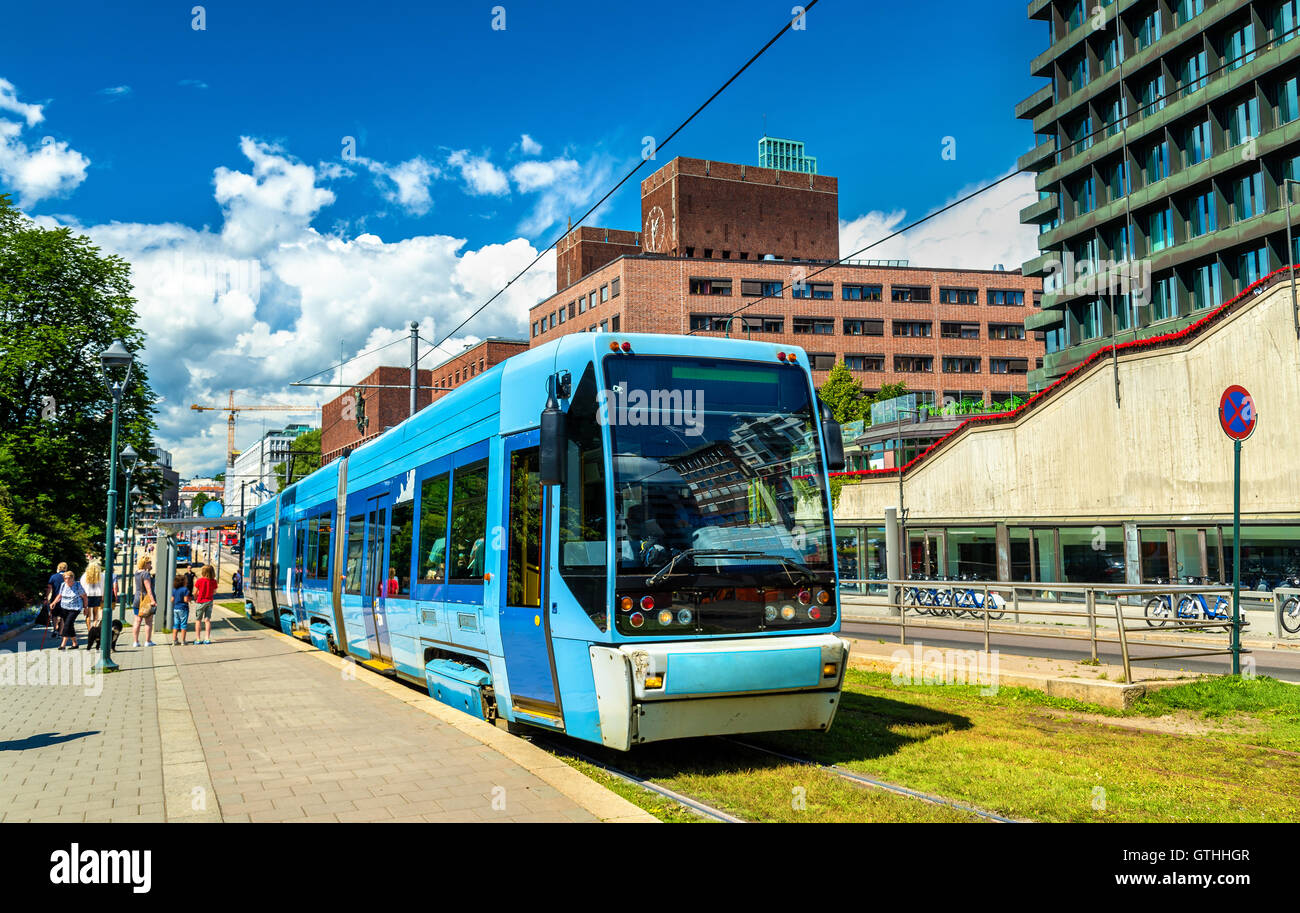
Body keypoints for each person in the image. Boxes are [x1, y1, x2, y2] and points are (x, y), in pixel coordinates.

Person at [49, 571, 87, 650]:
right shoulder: (63, 585)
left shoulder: (77, 585)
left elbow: (84, 597)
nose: (67, 580)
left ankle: (63, 644)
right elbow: (60, 595)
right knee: (70, 625)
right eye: (65, 578)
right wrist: (54, 603)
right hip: (65, 607)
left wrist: (85, 608)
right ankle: (75, 643)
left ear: (73, 578)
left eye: (69, 578)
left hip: (75, 608)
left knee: (67, 624)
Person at [131, 555, 157, 648]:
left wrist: (148, 570)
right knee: (148, 621)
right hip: (146, 599)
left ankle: (135, 642)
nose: (151, 564)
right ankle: (147, 641)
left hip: (137, 598)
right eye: (149, 563)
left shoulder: (137, 572)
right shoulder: (146, 574)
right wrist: (153, 600)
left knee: (137, 621)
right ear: (146, 564)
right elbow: (148, 588)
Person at [192, 565, 217, 645]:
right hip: (209, 601)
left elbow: (195, 592)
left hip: (201, 602)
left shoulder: (199, 581)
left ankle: (198, 639)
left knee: (198, 620)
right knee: (207, 620)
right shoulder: (214, 581)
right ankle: (207, 638)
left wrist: (195, 597)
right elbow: (214, 592)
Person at [80, 561, 105, 633]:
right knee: (95, 613)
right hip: (97, 594)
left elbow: (82, 585)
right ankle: (94, 626)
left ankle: (89, 630)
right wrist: (102, 595)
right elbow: (103, 586)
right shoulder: (101, 575)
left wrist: (82, 596)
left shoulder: (85, 575)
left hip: (87, 595)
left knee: (88, 614)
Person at [170, 574, 190, 646]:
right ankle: (183, 641)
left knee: (176, 624)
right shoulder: (185, 590)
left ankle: (174, 640)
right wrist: (189, 599)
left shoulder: (174, 590)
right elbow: (185, 600)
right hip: (183, 608)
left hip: (176, 609)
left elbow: (171, 600)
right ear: (183, 582)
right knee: (183, 624)